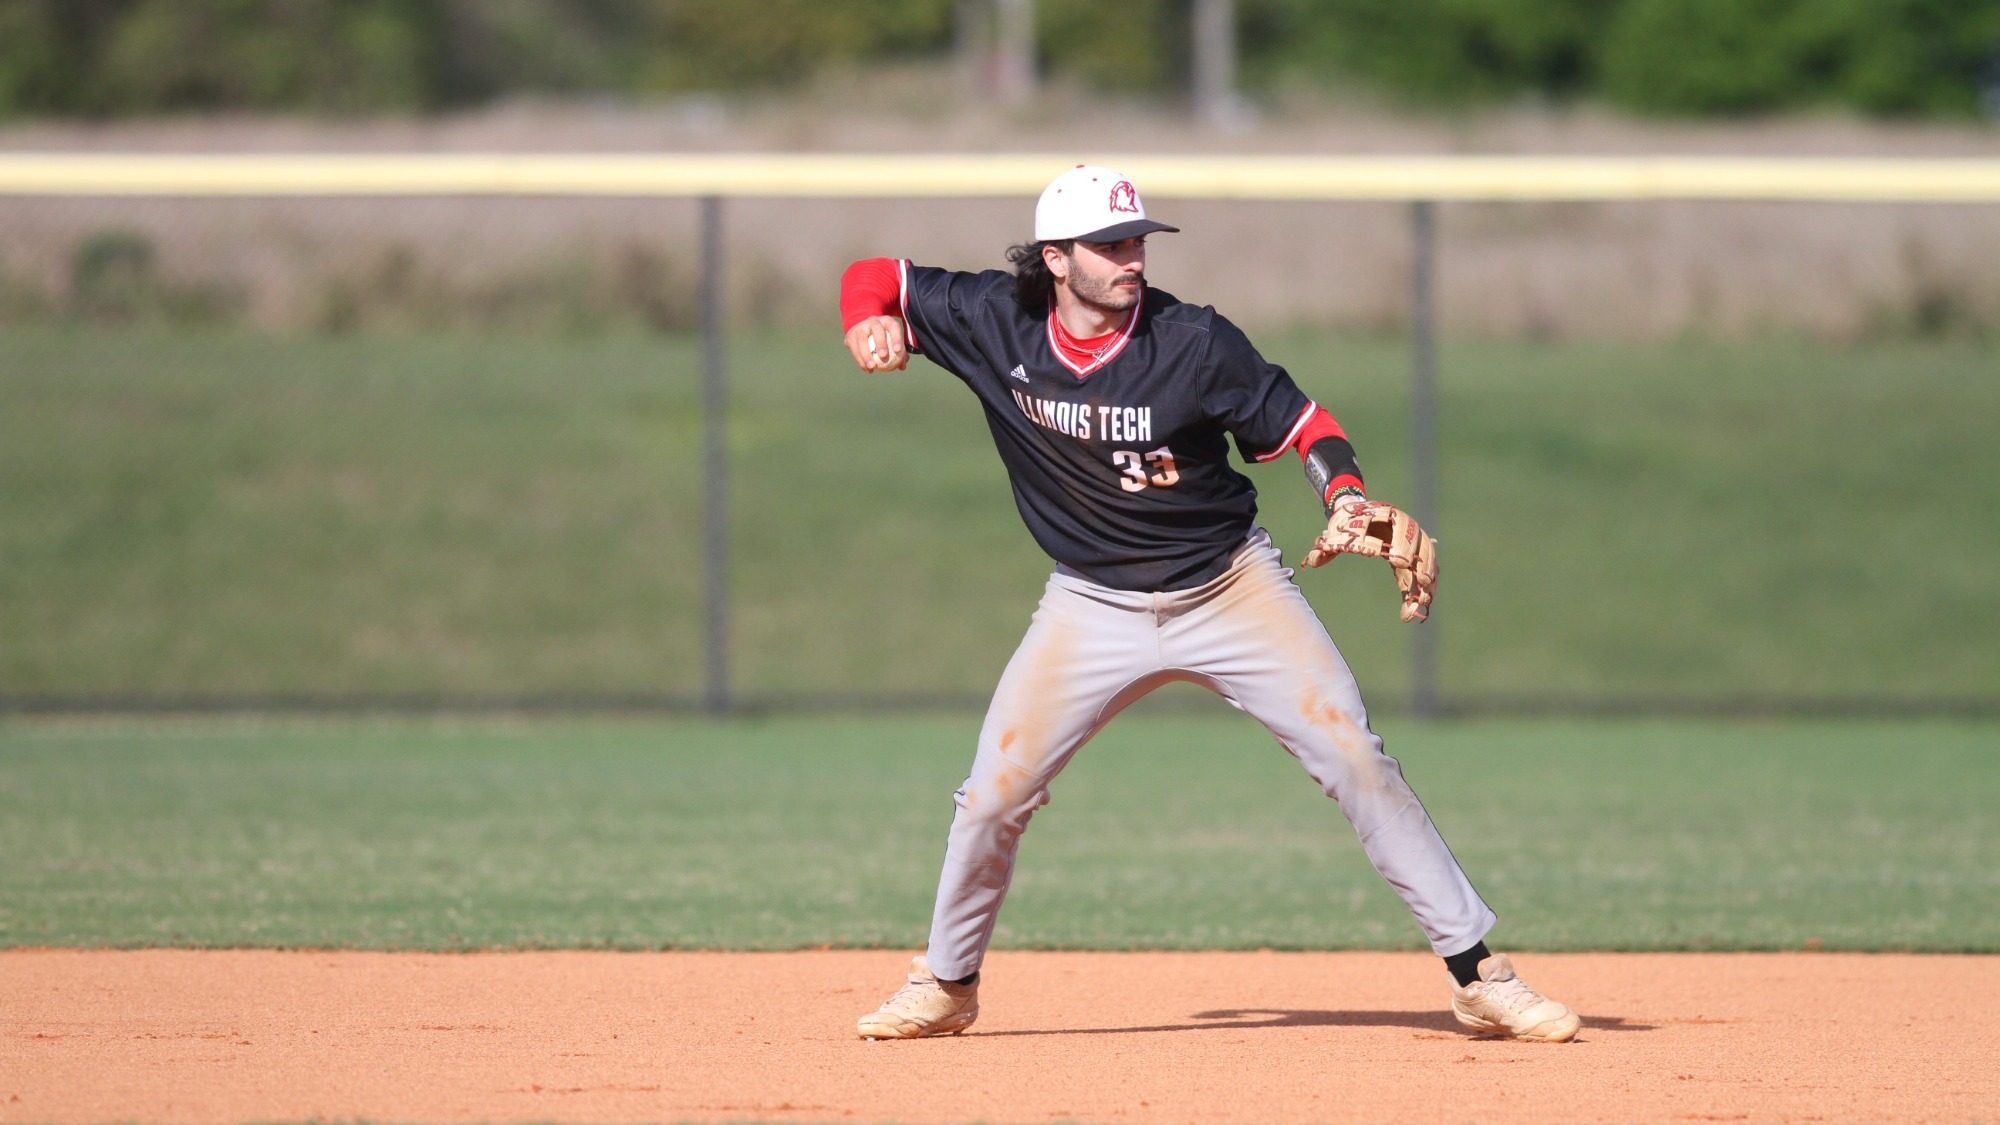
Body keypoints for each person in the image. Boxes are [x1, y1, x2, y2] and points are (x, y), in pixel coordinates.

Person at [837, 165, 1579, 1044]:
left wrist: (1343, 494)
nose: (1131, 259)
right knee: (993, 794)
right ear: (1055, 258)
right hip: (1090, 603)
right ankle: (948, 983)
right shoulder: (994, 319)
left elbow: (1304, 424)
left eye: (1138, 241)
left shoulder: (1192, 341)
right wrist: (868, 318)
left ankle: (1479, 974)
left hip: (1230, 587)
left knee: (1354, 756)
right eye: (1110, 245)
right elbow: (875, 273)